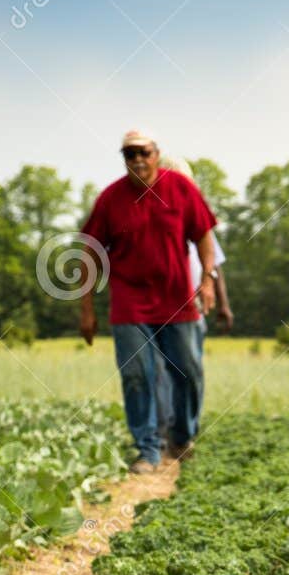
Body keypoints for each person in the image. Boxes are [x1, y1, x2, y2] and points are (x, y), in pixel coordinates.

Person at [80, 129, 217, 472]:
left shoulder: (181, 189)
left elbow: (203, 237)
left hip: (177, 300)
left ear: (156, 153)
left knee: (188, 371)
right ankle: (148, 450)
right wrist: (85, 309)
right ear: (123, 158)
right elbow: (90, 253)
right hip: (130, 303)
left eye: (144, 152)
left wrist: (208, 279)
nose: (138, 159)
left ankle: (182, 436)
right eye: (130, 154)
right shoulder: (111, 199)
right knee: (137, 375)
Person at [154, 155, 233, 451]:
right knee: (159, 371)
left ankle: (184, 432)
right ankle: (164, 433)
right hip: (157, 309)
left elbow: (215, 267)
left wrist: (224, 304)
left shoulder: (199, 224)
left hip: (193, 310)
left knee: (190, 371)